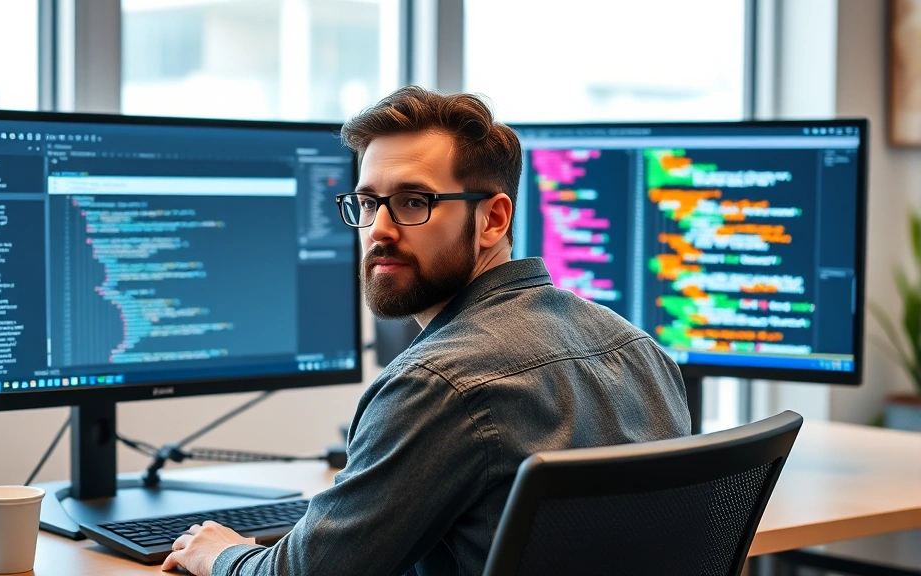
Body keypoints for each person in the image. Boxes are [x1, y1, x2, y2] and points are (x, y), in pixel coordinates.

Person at [162, 86, 691, 576]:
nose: (380, 231)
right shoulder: (639, 350)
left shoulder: (437, 382)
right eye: (368, 203)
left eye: (415, 202)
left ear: (493, 219)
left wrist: (221, 554)